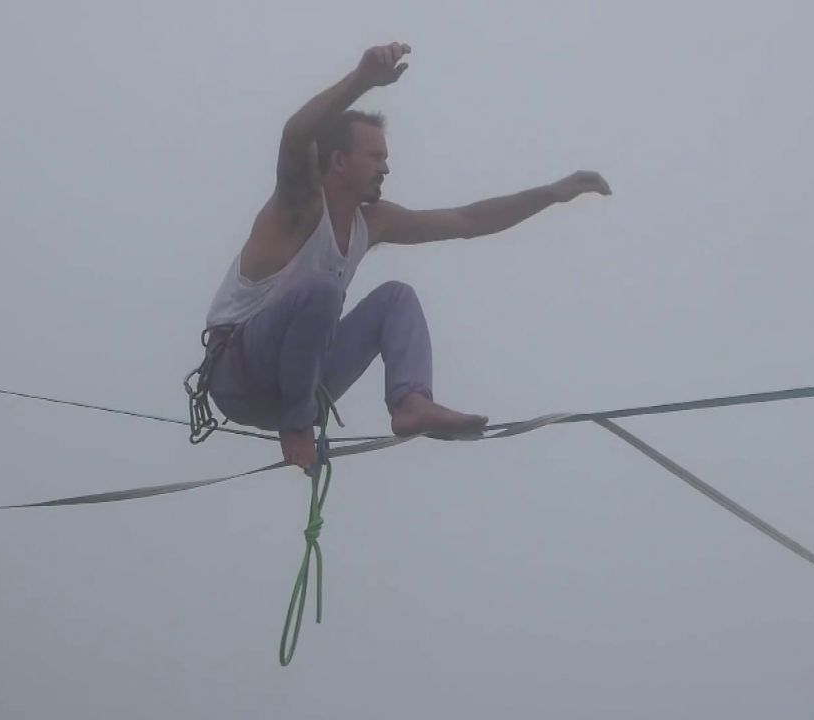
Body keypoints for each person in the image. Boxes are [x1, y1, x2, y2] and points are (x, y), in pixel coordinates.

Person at [192, 42, 611, 471]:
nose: (386, 169)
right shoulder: (298, 207)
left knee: (396, 297)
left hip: (300, 378)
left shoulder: (373, 223)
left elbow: (466, 220)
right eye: (375, 157)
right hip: (239, 373)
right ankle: (297, 423)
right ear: (338, 161)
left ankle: (411, 402)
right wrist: (361, 80)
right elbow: (296, 135)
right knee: (321, 290)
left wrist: (549, 195)